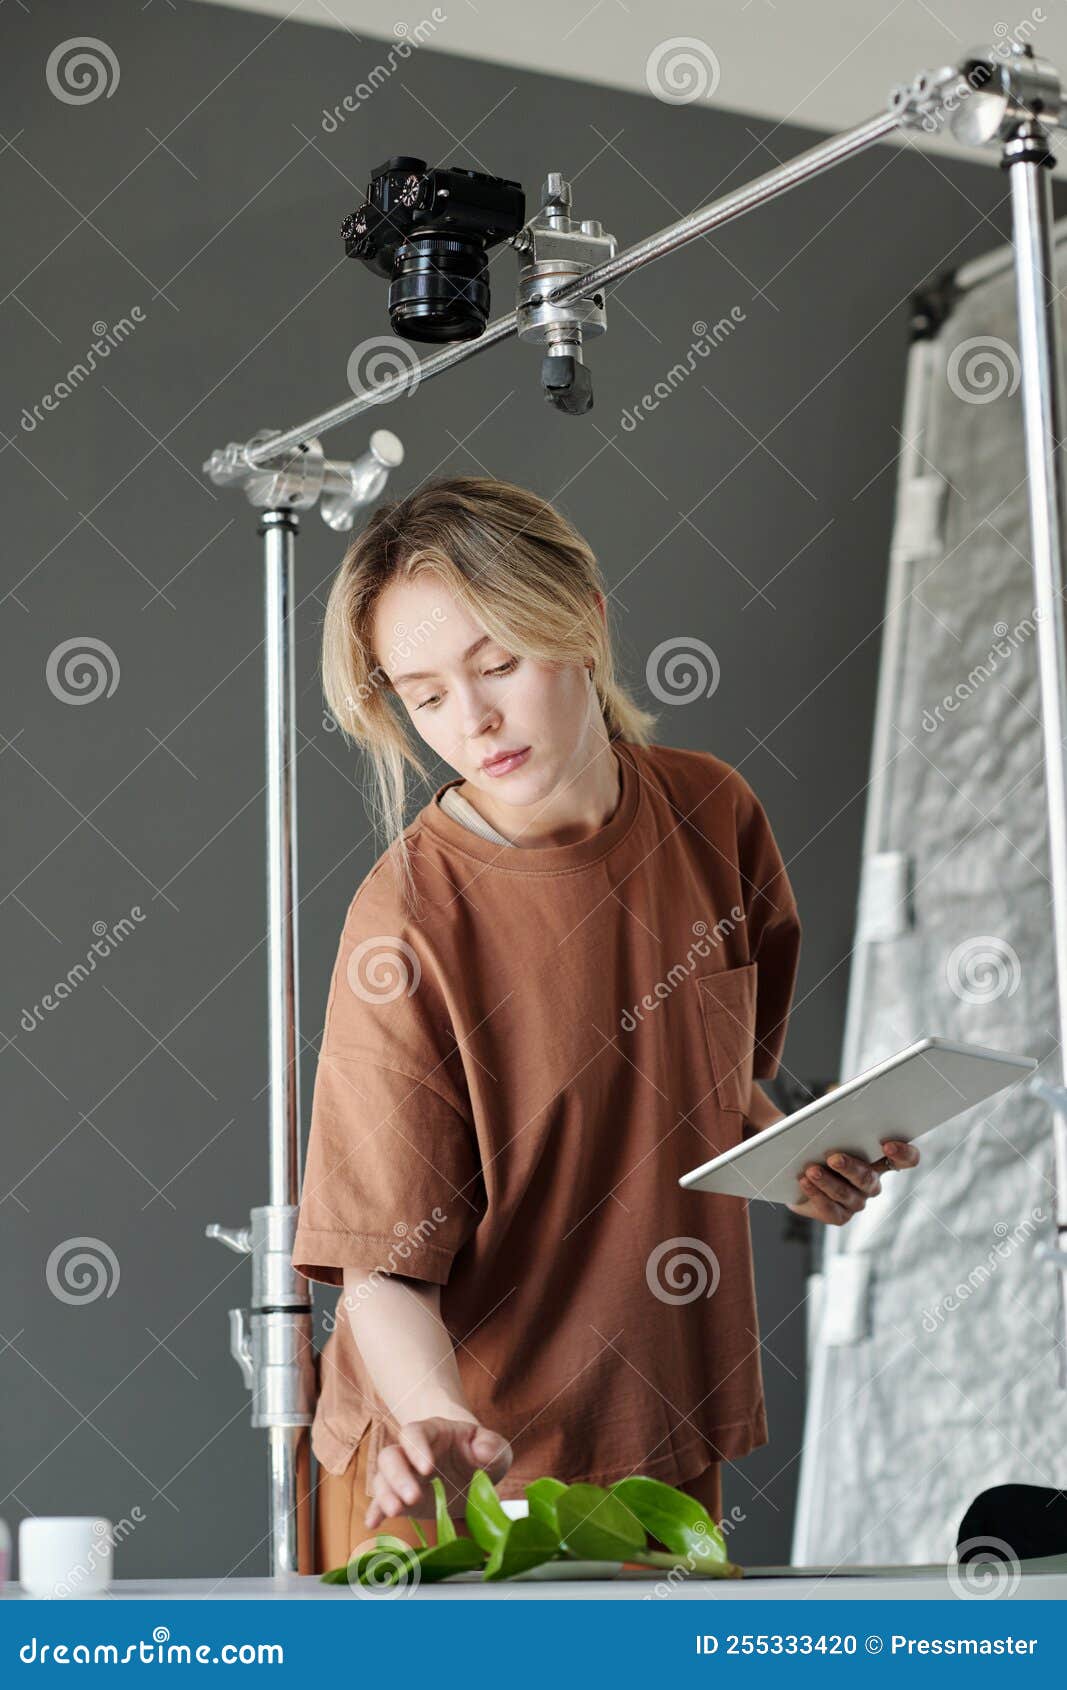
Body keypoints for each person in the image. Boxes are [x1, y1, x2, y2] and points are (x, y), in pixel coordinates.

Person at [291, 475, 920, 1572]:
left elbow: (699, 1083)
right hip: (457, 1474)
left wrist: (792, 1157)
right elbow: (379, 1265)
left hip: (650, 1450)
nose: (473, 720)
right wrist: (434, 1414)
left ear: (577, 620)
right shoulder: (407, 925)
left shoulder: (710, 814)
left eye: (497, 665)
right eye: (426, 695)